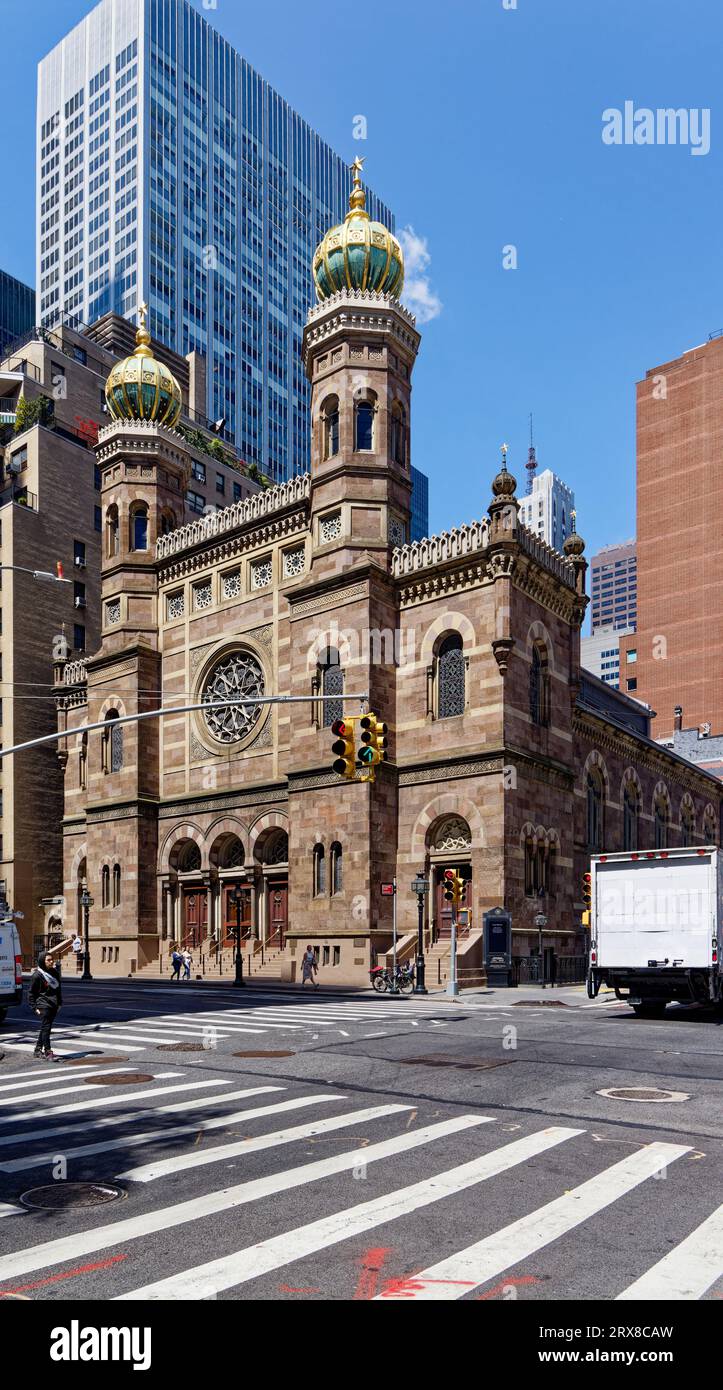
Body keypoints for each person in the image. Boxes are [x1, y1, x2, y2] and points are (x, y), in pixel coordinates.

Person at [28, 951, 63, 1060]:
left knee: (45, 1028)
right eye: (48, 960)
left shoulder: (55, 973)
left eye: (52, 959)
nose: (51, 961)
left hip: (54, 1004)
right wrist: (34, 1007)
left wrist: (60, 1003)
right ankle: (48, 1052)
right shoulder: (37, 975)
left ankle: (38, 1050)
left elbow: (58, 989)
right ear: (42, 961)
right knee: (46, 1028)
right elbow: (31, 993)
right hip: (43, 1005)